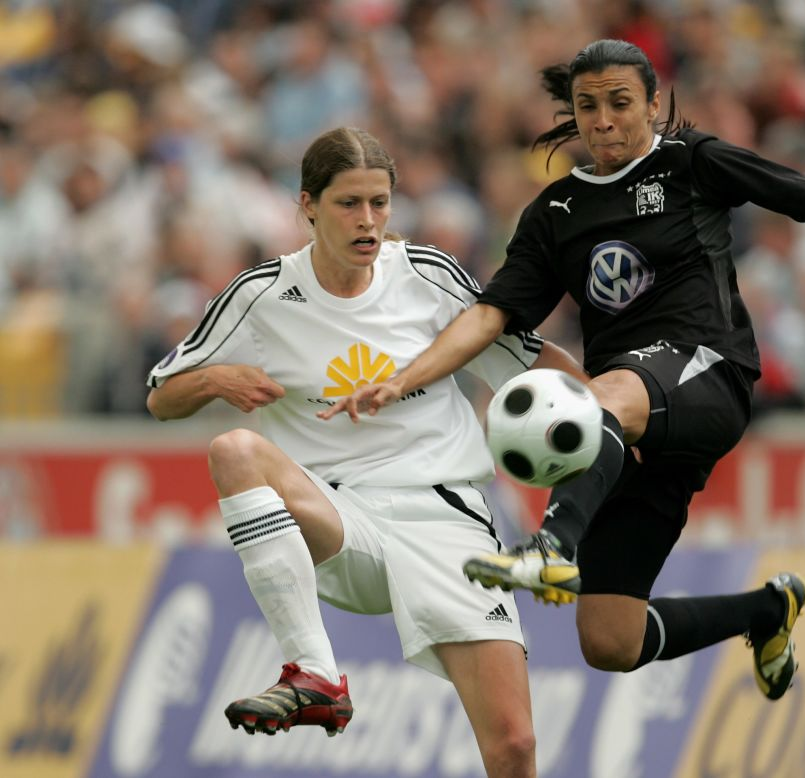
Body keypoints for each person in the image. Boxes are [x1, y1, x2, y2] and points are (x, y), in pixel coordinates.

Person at [331, 40, 805, 699]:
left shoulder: (690, 162)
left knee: (603, 395)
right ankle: (765, 611)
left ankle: (547, 549)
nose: (602, 120)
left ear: (652, 104)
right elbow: (488, 317)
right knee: (609, 641)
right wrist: (402, 380)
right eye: (587, 106)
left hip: (708, 374)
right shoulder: (555, 214)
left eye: (620, 103)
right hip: (630, 427)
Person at [146, 127, 585, 777]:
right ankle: (315, 673)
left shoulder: (426, 278)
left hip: (445, 518)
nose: (368, 221)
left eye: (380, 203)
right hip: (338, 517)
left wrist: (608, 410)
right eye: (349, 203)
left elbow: (524, 361)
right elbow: (161, 395)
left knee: (514, 745)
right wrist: (215, 378)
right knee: (235, 449)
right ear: (308, 206)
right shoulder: (262, 295)